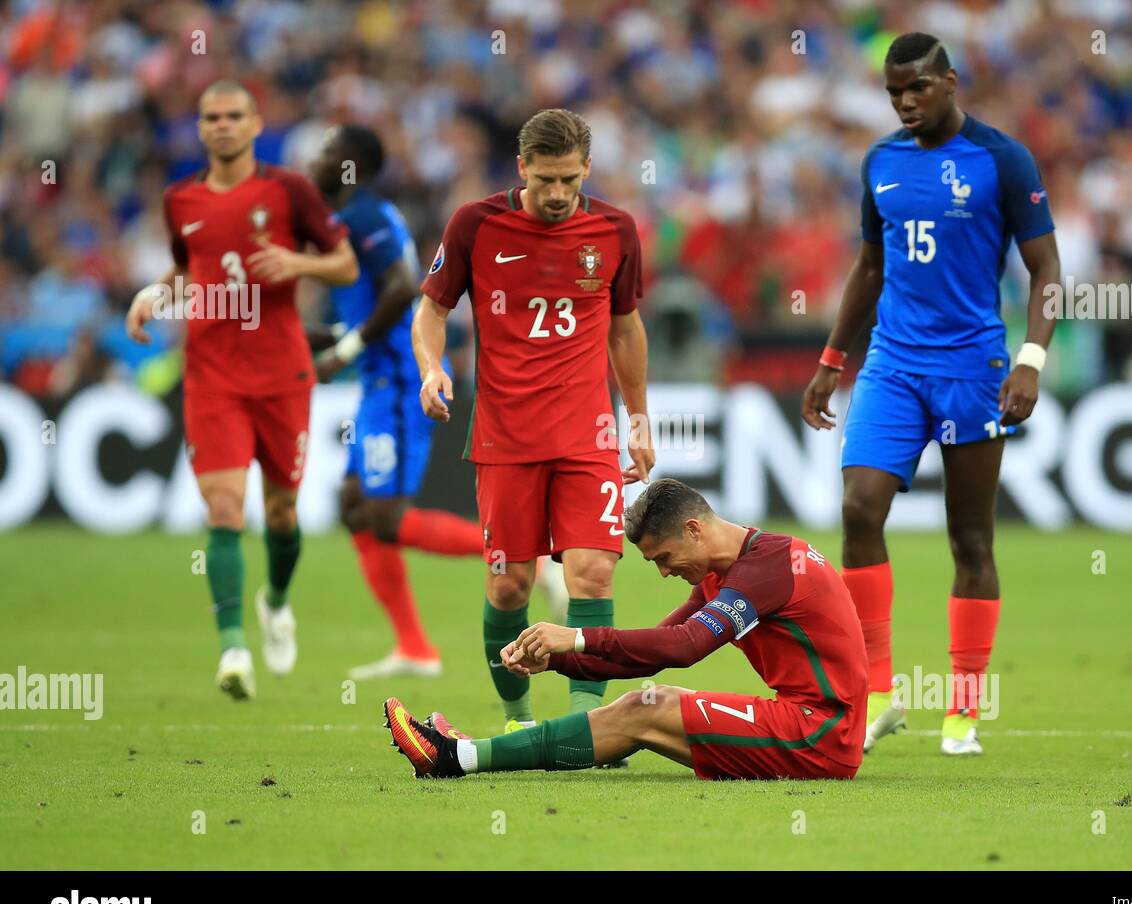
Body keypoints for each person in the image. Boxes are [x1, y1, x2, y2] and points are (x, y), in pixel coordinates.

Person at [801, 33, 1061, 754]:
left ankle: (964, 709)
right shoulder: (880, 161)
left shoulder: (1002, 160)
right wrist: (831, 359)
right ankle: (878, 694)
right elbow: (870, 265)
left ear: (949, 82)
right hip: (891, 363)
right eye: (893, 93)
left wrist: (1031, 360)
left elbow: (1047, 270)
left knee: (970, 539)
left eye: (917, 88)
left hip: (972, 368)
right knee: (858, 508)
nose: (905, 102)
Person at [411, 108, 653, 733]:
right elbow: (432, 310)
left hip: (586, 432)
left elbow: (625, 328)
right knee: (510, 588)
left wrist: (640, 416)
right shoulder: (475, 224)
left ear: (587, 170)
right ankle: (518, 718)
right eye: (544, 178)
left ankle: (584, 724)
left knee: (592, 575)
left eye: (569, 180)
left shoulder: (616, 230)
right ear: (521, 167)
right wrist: (431, 368)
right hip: (505, 434)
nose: (556, 193)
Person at [381, 478, 868, 781]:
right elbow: (655, 651)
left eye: (664, 558)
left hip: (821, 733)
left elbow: (686, 646)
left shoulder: (770, 567)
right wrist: (557, 659)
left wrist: (574, 636)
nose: (663, 572)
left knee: (646, 705)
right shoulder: (731, 568)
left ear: (695, 530)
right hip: (811, 725)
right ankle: (463, 756)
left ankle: (454, 757)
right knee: (644, 705)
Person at [126, 80, 359, 699]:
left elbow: (345, 263)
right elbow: (187, 271)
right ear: (200, 128)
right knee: (225, 509)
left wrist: (298, 264)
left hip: (283, 377)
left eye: (234, 115)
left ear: (256, 123)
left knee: (281, 512)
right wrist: (153, 295)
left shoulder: (289, 191)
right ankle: (232, 648)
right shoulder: (180, 198)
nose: (223, 125)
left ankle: (275, 602)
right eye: (211, 117)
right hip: (212, 377)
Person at [307, 123, 486, 680]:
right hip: (377, 382)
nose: (318, 159)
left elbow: (402, 289)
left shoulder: (362, 215)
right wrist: (331, 338)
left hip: (400, 379)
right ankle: (413, 646)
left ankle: (514, 549)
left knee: (384, 514)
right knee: (355, 504)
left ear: (349, 165)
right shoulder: (361, 217)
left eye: (328, 152)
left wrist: (347, 349)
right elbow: (367, 308)